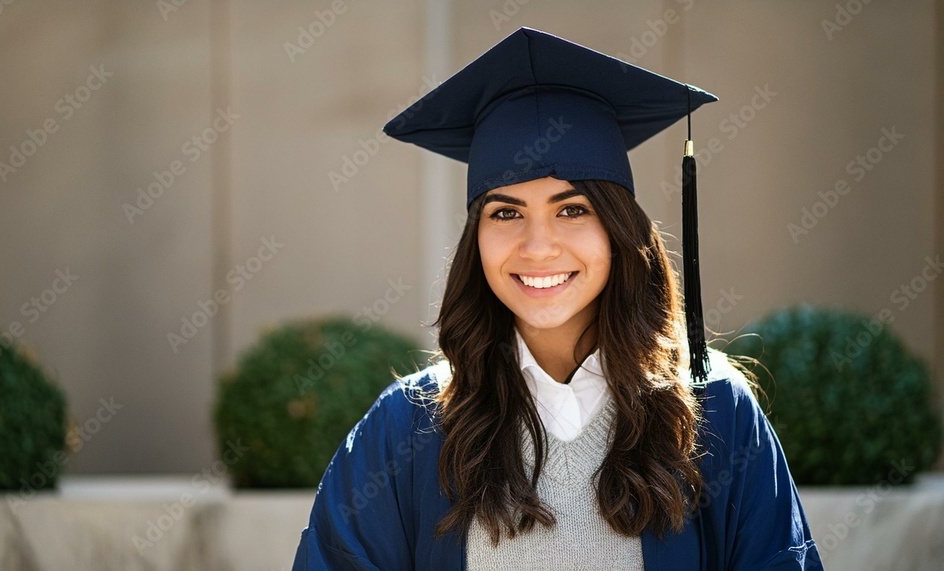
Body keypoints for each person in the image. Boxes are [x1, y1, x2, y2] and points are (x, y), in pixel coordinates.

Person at [293, 27, 823, 570]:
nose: (538, 246)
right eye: (506, 212)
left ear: (618, 230)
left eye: (572, 210)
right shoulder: (410, 426)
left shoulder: (713, 413)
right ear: (475, 238)